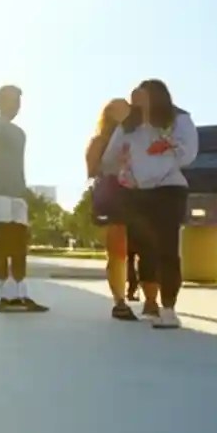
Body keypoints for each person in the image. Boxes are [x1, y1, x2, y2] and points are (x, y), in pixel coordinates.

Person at [104, 79, 198, 329]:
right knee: (145, 249)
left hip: (169, 188)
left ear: (156, 96)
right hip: (137, 192)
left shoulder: (178, 119)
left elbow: (189, 153)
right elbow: (109, 158)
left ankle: (169, 308)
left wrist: (167, 144)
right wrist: (119, 161)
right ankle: (151, 303)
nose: (135, 100)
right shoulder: (128, 126)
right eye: (134, 95)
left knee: (167, 247)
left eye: (141, 95)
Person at [0, 84, 48, 313]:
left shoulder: (20, 133)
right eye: (11, 100)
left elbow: (18, 164)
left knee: (20, 242)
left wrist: (23, 190)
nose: (15, 105)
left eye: (18, 101)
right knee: (5, 239)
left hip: (17, 192)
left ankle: (21, 294)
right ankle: (5, 296)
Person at [84, 97, 136, 320]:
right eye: (119, 108)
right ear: (109, 113)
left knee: (138, 246)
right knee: (117, 249)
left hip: (136, 190)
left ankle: (137, 291)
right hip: (113, 191)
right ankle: (119, 300)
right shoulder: (99, 140)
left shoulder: (136, 136)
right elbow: (92, 170)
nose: (125, 111)